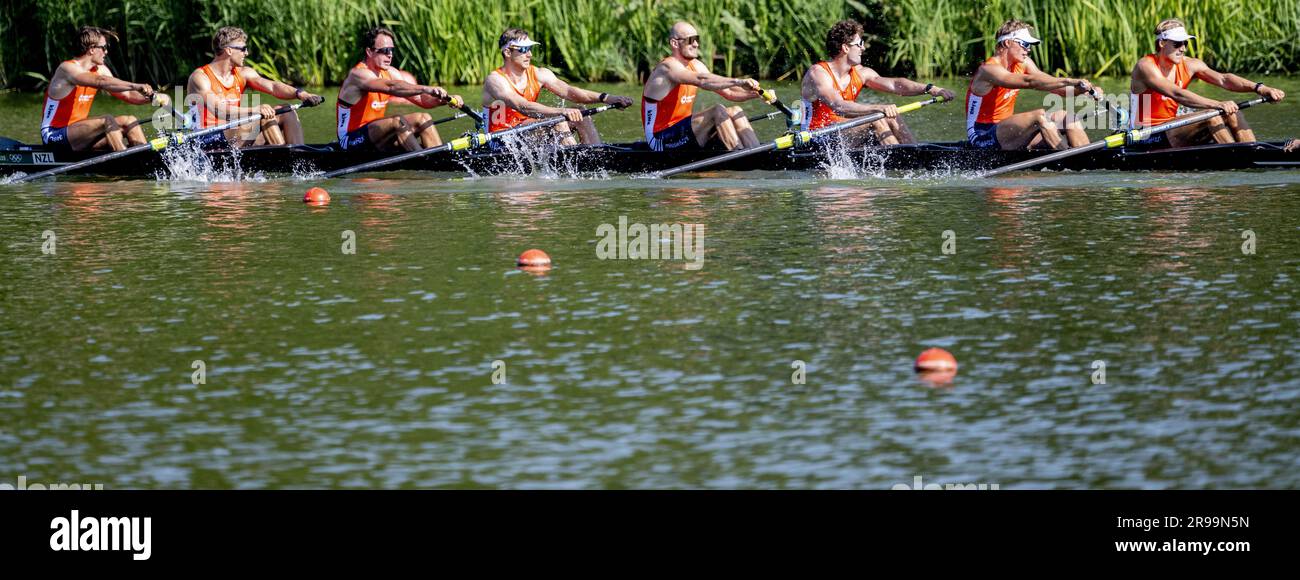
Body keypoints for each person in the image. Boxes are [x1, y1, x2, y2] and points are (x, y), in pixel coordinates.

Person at [1128, 18, 1286, 149]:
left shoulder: (1190, 64)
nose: (1183, 49)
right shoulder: (1146, 66)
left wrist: (1260, 88)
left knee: (1233, 112)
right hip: (1146, 134)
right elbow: (1177, 94)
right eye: (1177, 44)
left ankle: (1253, 149)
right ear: (1162, 43)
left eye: (1185, 44)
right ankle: (1237, 155)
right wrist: (1218, 104)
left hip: (1171, 128)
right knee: (1212, 116)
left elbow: (1224, 79)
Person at [799, 19, 954, 146]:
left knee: (892, 116)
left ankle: (914, 153)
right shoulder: (818, 73)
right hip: (817, 137)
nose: (863, 48)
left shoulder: (860, 73)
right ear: (845, 48)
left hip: (844, 132)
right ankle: (901, 161)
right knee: (878, 117)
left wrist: (931, 88)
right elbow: (838, 105)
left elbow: (896, 84)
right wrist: (878, 108)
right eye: (859, 44)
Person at [481, 28, 632, 146]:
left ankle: (596, 154)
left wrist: (606, 98)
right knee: (558, 120)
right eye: (523, 49)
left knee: (581, 113)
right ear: (507, 52)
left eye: (530, 49)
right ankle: (575, 161)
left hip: (528, 130)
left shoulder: (539, 73)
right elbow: (522, 106)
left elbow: (569, 91)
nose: (529, 55)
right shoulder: (495, 80)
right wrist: (562, 111)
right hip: (501, 139)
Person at [965, 19, 1102, 150]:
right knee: (1039, 116)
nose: (1028, 50)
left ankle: (1087, 156)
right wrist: (1069, 80)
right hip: (982, 136)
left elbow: (1057, 89)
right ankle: (1069, 157)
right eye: (1025, 44)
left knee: (1066, 116)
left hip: (1008, 132)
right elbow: (1030, 82)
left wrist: (1084, 90)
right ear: (1007, 43)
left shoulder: (1023, 63)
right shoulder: (988, 70)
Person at [185, 26, 323, 147]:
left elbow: (273, 87)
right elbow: (219, 110)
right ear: (229, 50)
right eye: (243, 49)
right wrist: (256, 110)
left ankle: (300, 157)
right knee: (260, 116)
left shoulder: (244, 73)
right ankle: (285, 158)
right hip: (208, 139)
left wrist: (301, 94)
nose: (247, 53)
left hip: (237, 135)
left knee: (286, 111)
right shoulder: (200, 77)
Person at [641, 21, 766, 151]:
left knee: (735, 111)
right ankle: (741, 156)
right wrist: (739, 81)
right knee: (717, 110)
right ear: (675, 43)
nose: (696, 44)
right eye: (691, 40)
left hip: (684, 132)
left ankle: (756, 153)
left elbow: (729, 92)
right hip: (659, 140)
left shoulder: (696, 65)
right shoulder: (667, 67)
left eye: (697, 39)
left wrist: (760, 93)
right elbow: (702, 80)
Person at [40, 26, 167, 152]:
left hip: (83, 134)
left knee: (130, 121)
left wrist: (154, 98)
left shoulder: (100, 70)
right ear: (91, 49)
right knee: (107, 120)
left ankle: (146, 158)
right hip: (54, 136)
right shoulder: (67, 69)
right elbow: (100, 82)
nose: (106, 52)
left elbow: (128, 95)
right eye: (104, 48)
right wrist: (136, 85)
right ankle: (125, 159)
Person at [336, 27, 463, 151]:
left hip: (378, 134)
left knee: (424, 118)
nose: (390, 55)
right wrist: (426, 88)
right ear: (369, 52)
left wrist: (446, 100)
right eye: (385, 50)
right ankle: (425, 159)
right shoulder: (358, 75)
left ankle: (440, 156)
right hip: (349, 140)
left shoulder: (391, 72)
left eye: (391, 50)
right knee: (397, 121)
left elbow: (423, 101)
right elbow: (392, 87)